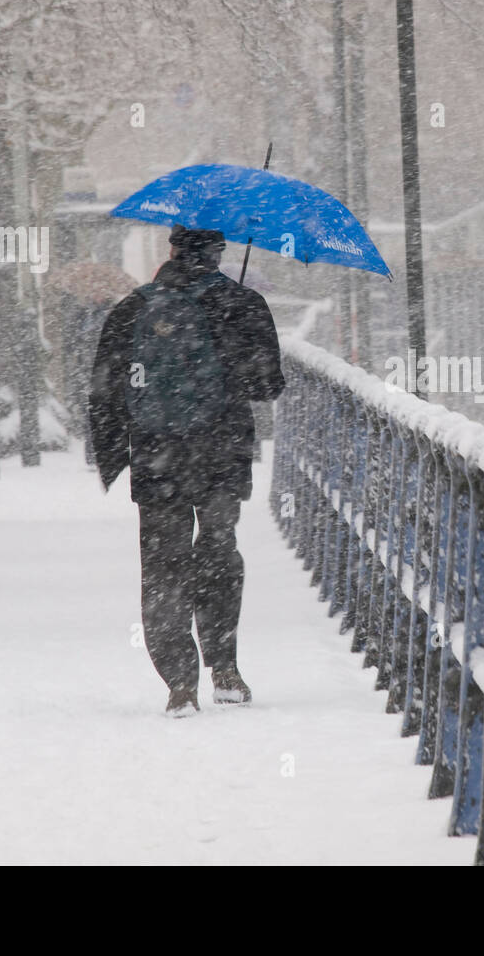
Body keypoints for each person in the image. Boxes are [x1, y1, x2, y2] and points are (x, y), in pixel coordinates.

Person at [88, 225, 285, 716]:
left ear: (171, 252)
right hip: (221, 454)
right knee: (218, 551)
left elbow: (104, 389)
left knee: (163, 566)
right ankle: (225, 669)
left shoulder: (134, 307)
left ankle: (179, 682)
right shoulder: (244, 304)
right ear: (218, 254)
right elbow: (267, 388)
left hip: (158, 458)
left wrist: (114, 455)